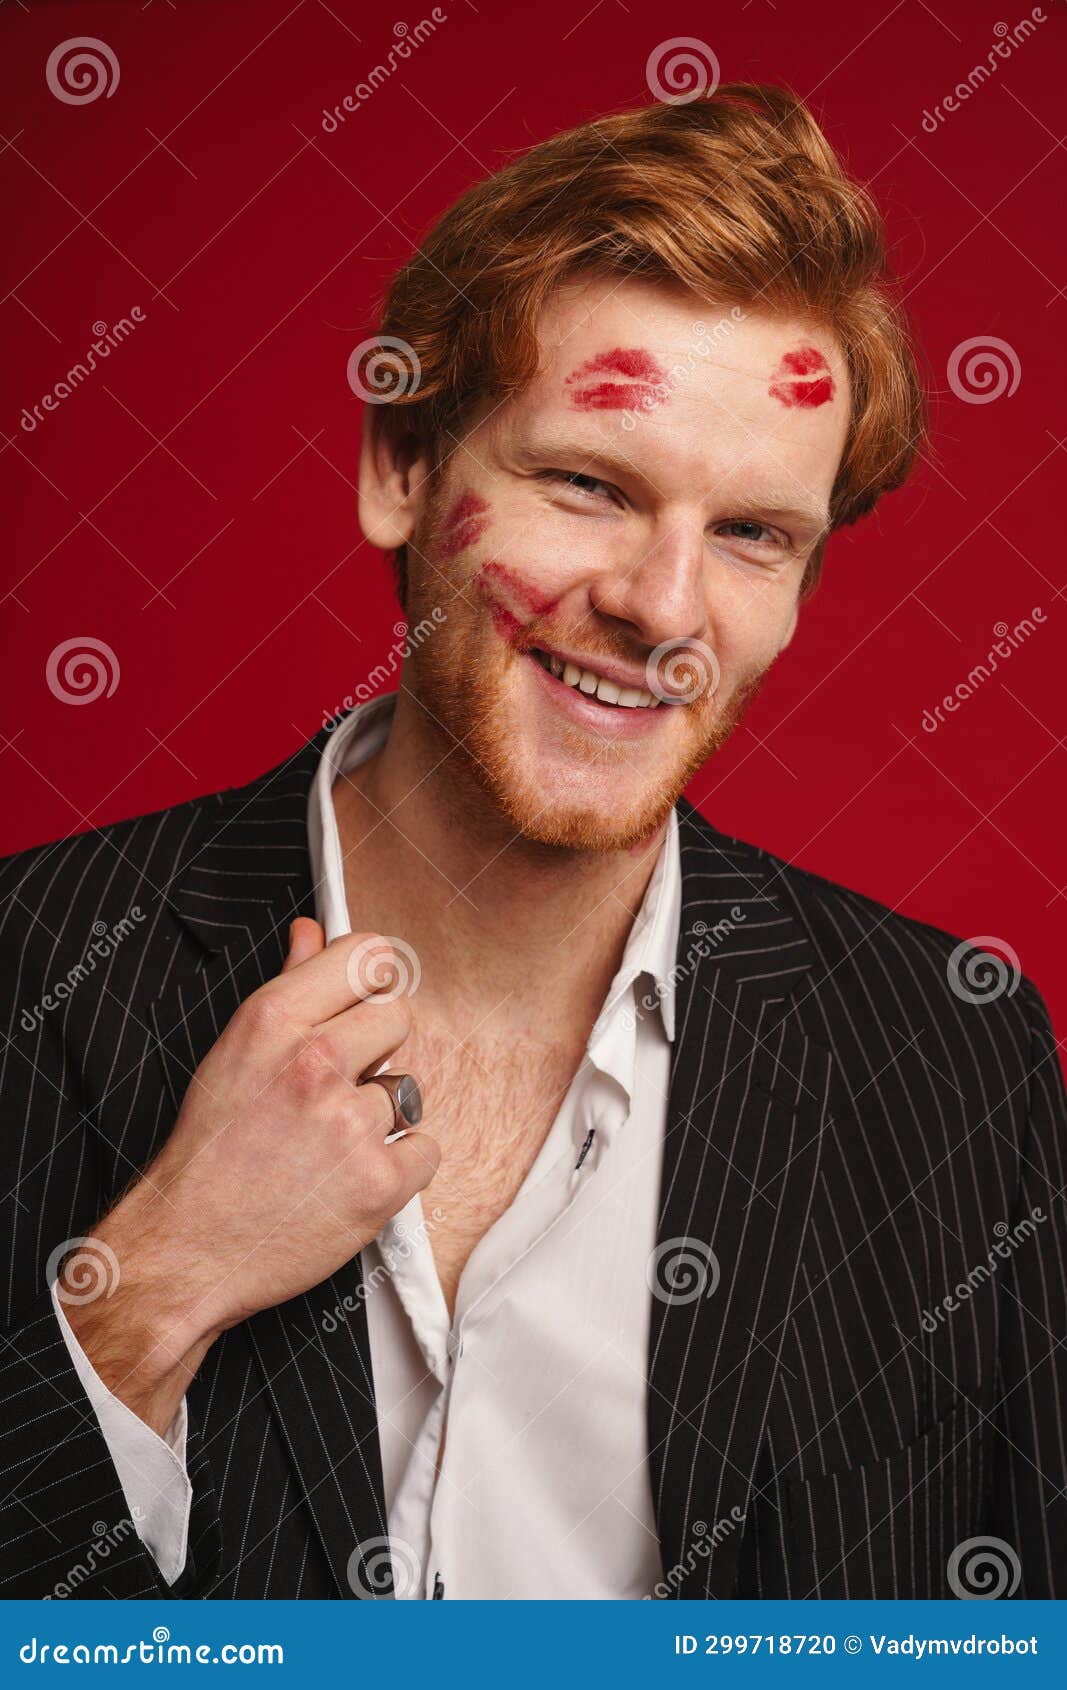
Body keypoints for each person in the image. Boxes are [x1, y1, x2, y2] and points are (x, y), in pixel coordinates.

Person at [2, 84, 1063, 1602]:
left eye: (755, 534)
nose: (664, 607)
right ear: (403, 467)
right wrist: (153, 1286)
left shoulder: (955, 1064)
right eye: (588, 484)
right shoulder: (33, 974)